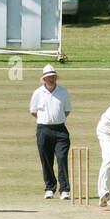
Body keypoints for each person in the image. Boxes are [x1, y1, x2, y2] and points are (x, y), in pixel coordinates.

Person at [30, 64, 72, 200]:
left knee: (61, 158)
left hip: (60, 130)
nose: (51, 79)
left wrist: (56, 119)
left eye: (53, 76)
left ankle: (64, 189)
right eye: (48, 77)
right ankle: (49, 188)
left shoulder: (63, 92)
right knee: (46, 160)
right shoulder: (37, 93)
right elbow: (33, 111)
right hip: (43, 130)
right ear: (44, 79)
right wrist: (46, 120)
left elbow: (67, 111)